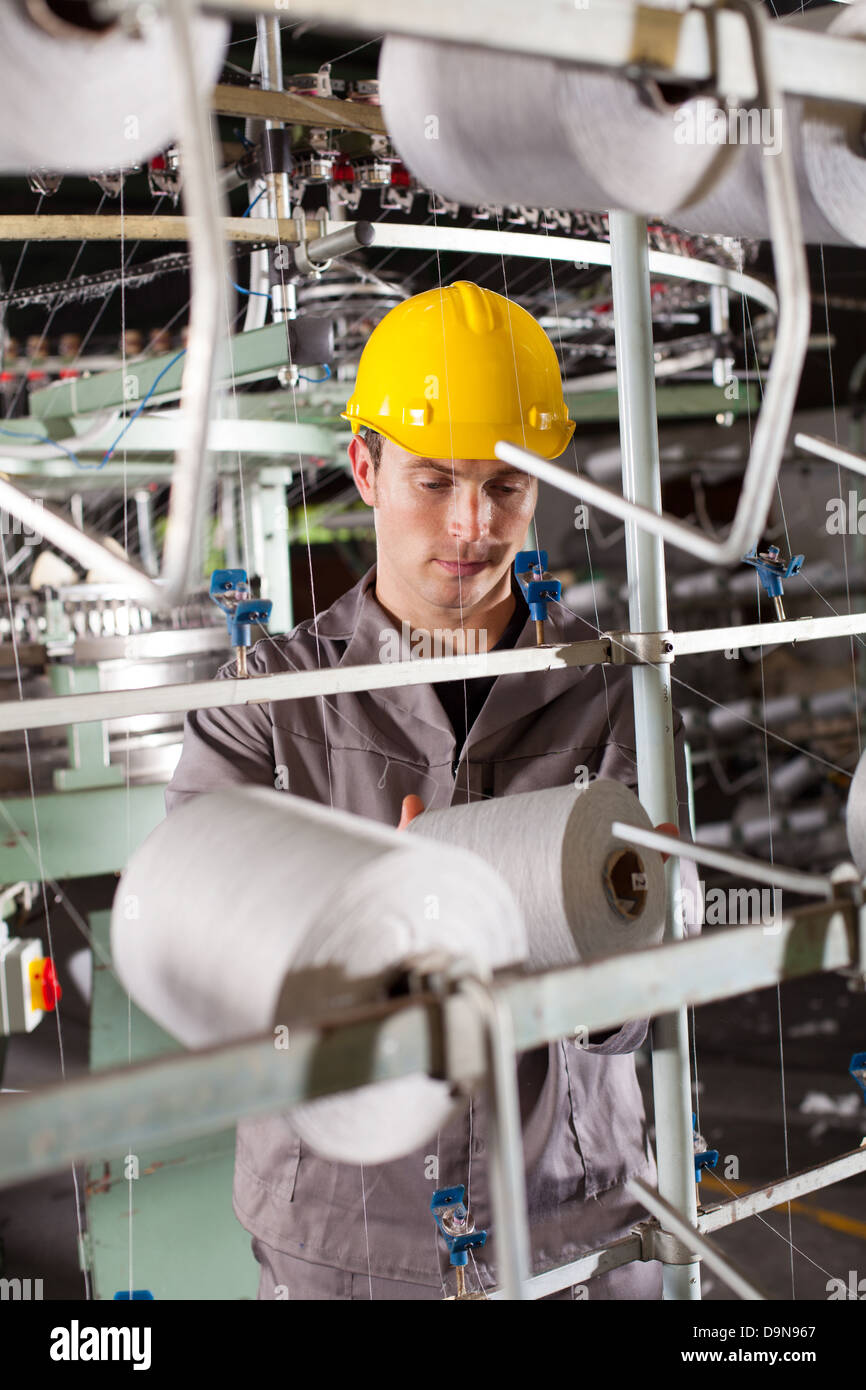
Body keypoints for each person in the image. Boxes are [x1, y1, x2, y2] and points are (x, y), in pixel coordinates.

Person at [164, 279, 700, 1300]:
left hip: (570, 1219)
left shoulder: (611, 694)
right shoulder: (264, 701)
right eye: (434, 481)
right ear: (365, 468)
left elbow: (657, 967)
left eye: (505, 486)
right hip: (347, 1234)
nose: (472, 524)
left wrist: (631, 940)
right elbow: (197, 940)